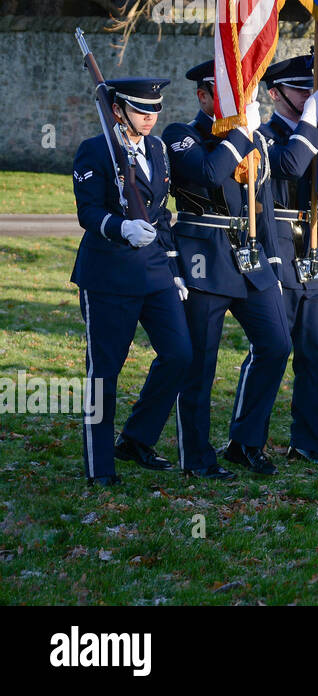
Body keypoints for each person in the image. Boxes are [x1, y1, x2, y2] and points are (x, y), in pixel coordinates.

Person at [163, 61, 292, 479]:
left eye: (241, 97)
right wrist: (241, 133)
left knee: (276, 345)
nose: (237, 106)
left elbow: (265, 205)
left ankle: (245, 441)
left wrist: (274, 261)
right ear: (202, 97)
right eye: (224, 97)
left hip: (250, 257)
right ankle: (196, 456)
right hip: (204, 258)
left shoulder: (252, 140)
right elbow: (208, 172)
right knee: (200, 361)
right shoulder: (181, 136)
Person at [71, 78, 192, 486]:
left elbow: (161, 214)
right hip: (108, 274)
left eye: (155, 109)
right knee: (104, 370)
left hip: (156, 271)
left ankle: (137, 439)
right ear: (118, 110)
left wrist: (175, 271)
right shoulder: (95, 149)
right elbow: (87, 212)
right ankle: (98, 463)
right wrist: (120, 227)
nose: (150, 117)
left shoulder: (157, 149)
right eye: (141, 109)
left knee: (179, 354)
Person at [260, 53, 318, 466]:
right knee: (271, 353)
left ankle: (309, 441)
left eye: (312, 89)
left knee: (315, 356)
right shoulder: (263, 138)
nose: (310, 95)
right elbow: (290, 168)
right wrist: (310, 120)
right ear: (275, 94)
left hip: (316, 252)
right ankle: (248, 440)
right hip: (280, 254)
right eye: (300, 89)